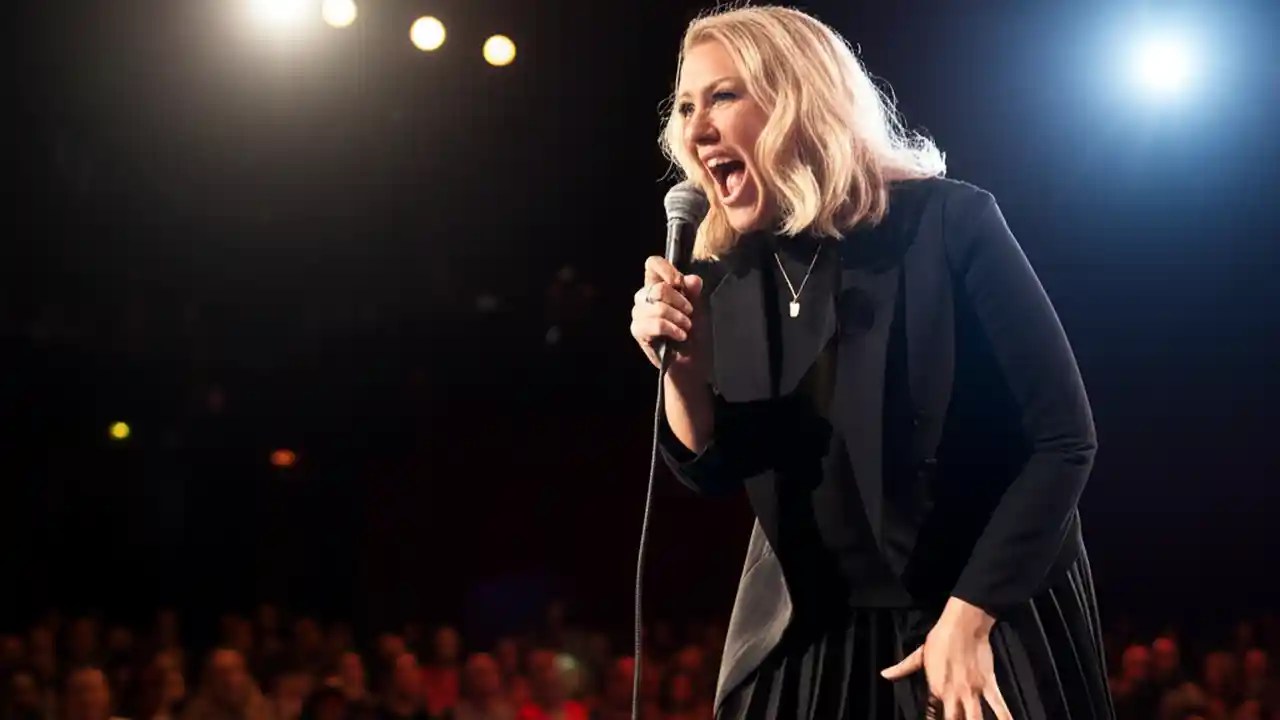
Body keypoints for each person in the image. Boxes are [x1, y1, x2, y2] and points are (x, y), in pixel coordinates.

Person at [629, 6, 1114, 720]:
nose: (695, 130)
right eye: (686, 106)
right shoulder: (728, 272)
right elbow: (715, 466)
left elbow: (1064, 441)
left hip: (977, 611)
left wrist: (971, 614)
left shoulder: (949, 223)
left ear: (798, 100)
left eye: (723, 96)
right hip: (814, 629)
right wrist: (680, 366)